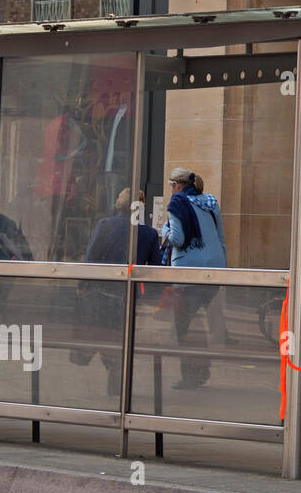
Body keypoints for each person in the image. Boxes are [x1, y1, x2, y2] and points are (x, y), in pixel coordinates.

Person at [73, 188, 162, 394]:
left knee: (107, 334)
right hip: (131, 296)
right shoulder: (149, 233)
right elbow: (155, 267)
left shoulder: (105, 225)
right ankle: (117, 370)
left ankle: (113, 368)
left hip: (104, 292)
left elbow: (91, 258)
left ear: (118, 203)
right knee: (124, 334)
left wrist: (83, 285)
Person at [160, 168, 227, 390]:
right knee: (203, 325)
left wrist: (164, 231)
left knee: (185, 326)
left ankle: (192, 375)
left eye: (172, 185)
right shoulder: (209, 202)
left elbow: (178, 239)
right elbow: (220, 237)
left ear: (176, 185)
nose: (171, 189)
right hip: (213, 270)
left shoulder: (177, 203)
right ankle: (201, 371)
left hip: (188, 273)